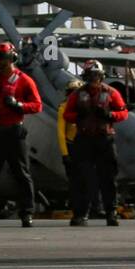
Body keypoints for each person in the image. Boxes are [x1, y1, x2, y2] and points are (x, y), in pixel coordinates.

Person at [0, 41, 42, 227]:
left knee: (21, 173)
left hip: (14, 130)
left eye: (4, 58)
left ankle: (27, 213)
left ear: (12, 58)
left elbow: (37, 105)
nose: (1, 62)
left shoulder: (23, 80)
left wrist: (19, 106)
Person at [63, 61, 128, 227]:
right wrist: (79, 116)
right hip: (84, 139)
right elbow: (67, 115)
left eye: (96, 76)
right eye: (90, 76)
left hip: (104, 138)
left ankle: (111, 212)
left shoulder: (111, 93)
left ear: (101, 76)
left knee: (109, 178)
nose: (94, 79)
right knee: (81, 177)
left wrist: (110, 115)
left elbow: (124, 113)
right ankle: (80, 213)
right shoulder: (77, 94)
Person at [56, 78, 86, 216]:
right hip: (72, 146)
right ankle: (77, 209)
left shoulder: (87, 107)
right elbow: (61, 132)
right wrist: (65, 154)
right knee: (75, 181)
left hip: (86, 145)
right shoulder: (64, 108)